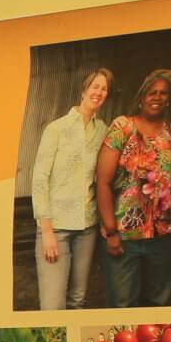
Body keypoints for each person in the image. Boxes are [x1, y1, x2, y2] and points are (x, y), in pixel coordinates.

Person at [95, 69, 171, 307]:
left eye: (163, 93)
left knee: (157, 303)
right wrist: (111, 232)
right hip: (125, 235)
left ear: (169, 98)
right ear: (141, 96)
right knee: (123, 304)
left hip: (164, 236)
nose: (157, 97)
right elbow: (103, 182)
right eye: (151, 92)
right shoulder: (122, 129)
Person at [31, 67, 112, 309]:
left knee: (77, 300)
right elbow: (39, 179)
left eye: (104, 89)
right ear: (84, 89)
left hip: (87, 227)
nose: (99, 92)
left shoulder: (102, 130)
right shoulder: (57, 128)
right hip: (56, 228)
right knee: (52, 305)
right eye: (95, 86)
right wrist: (47, 232)